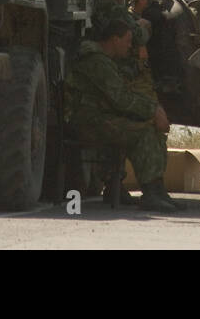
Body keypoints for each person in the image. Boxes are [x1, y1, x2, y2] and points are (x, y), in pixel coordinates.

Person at [64, 15, 180, 212]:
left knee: (150, 127)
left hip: (97, 118)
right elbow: (121, 98)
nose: (129, 46)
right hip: (88, 122)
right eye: (127, 41)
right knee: (144, 132)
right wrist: (153, 110)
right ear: (114, 40)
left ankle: (156, 190)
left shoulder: (104, 60)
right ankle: (151, 192)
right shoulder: (96, 61)